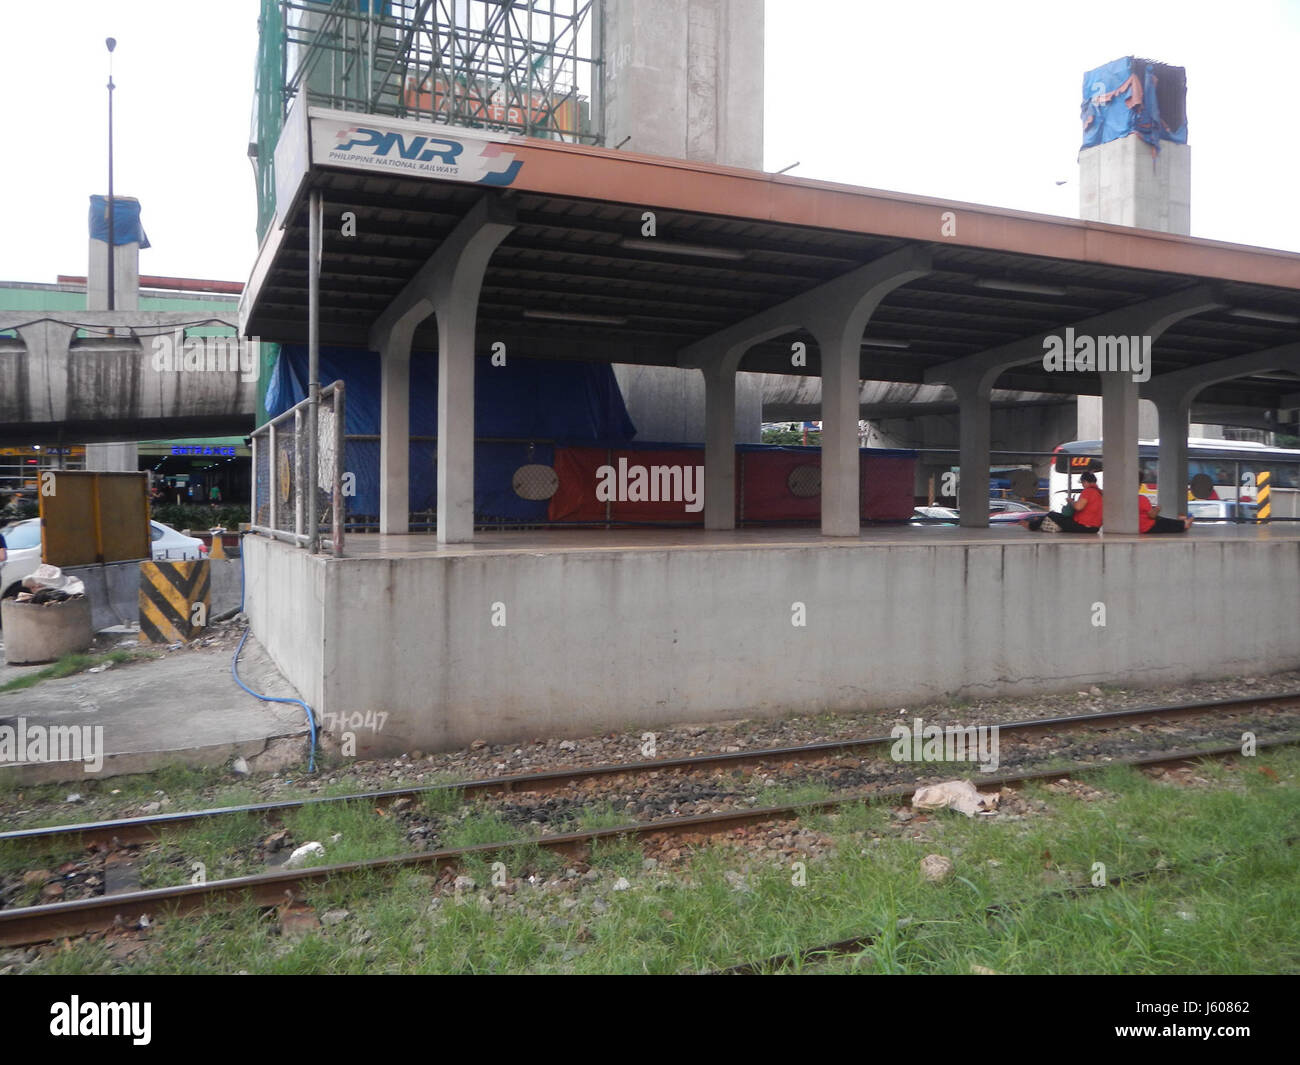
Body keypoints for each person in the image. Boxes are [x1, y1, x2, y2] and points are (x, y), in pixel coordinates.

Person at [1025, 472, 1103, 532]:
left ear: (1085, 481)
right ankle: (1035, 523)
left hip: (1084, 526)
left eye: (1082, 483)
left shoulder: (1088, 491)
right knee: (1061, 518)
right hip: (1095, 528)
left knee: (1052, 514)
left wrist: (1071, 501)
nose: (1082, 485)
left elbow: (1078, 507)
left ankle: (1031, 526)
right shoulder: (1101, 492)